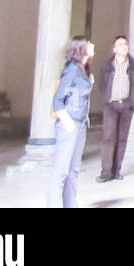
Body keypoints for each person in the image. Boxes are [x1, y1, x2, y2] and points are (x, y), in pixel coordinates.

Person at [47, 36, 94, 208]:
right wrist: (69, 124)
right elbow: (58, 100)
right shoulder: (72, 69)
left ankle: (70, 205)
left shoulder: (84, 70)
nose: (93, 46)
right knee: (61, 171)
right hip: (70, 124)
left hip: (80, 123)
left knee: (73, 170)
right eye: (89, 44)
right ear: (81, 48)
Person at [97, 35, 134, 182]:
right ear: (114, 48)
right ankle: (106, 172)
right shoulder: (107, 66)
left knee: (122, 139)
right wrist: (109, 98)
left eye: (125, 44)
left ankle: (116, 171)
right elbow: (102, 85)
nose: (124, 47)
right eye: (120, 44)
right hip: (111, 105)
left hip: (127, 105)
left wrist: (132, 99)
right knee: (109, 138)